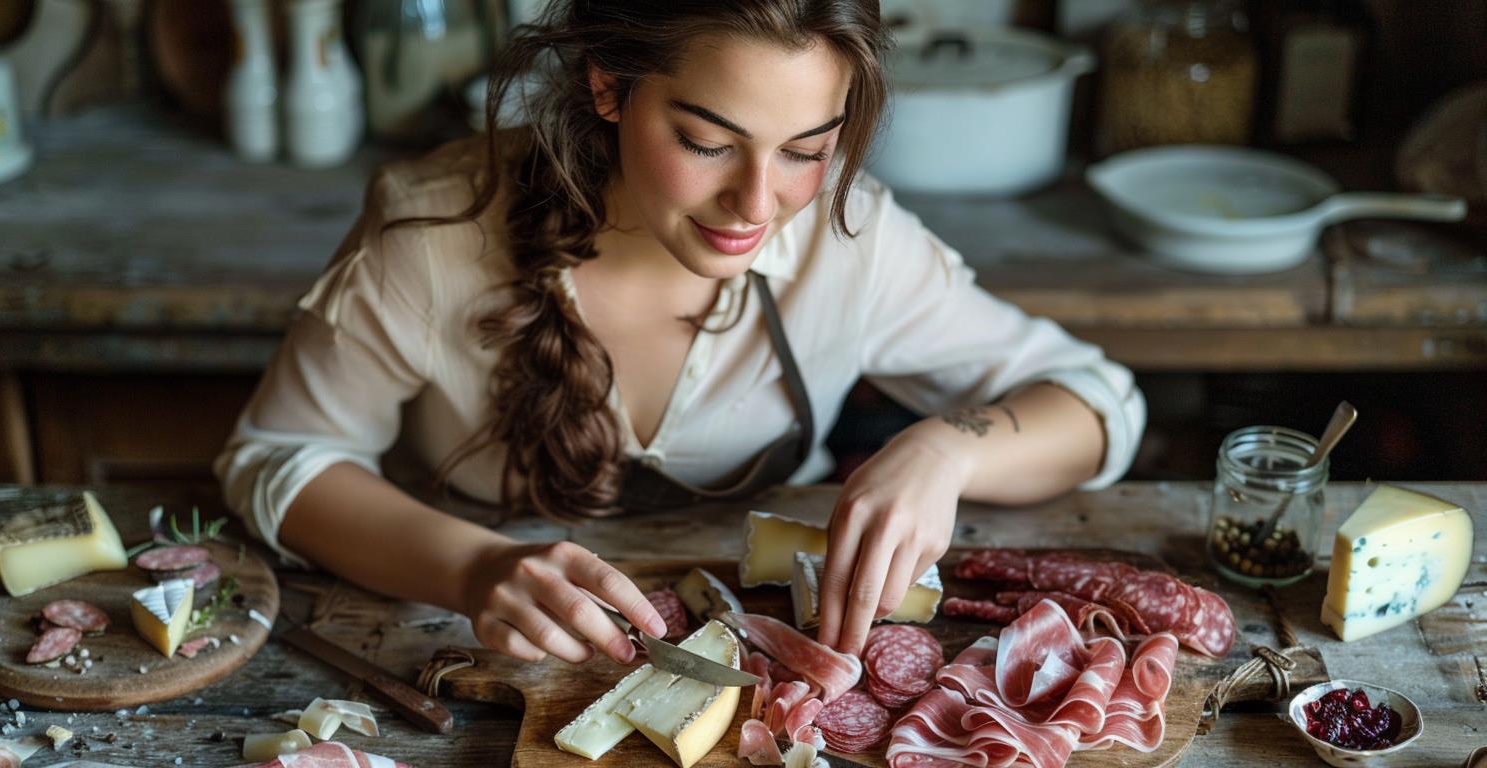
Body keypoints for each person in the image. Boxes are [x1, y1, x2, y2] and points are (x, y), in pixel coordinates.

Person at [215, 0, 1145, 664]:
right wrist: (472, 569)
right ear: (610, 88)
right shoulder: (431, 235)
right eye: (707, 142)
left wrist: (946, 450)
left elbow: (1102, 404)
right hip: (458, 662)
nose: (756, 203)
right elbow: (280, 458)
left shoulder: (848, 242)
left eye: (806, 152)